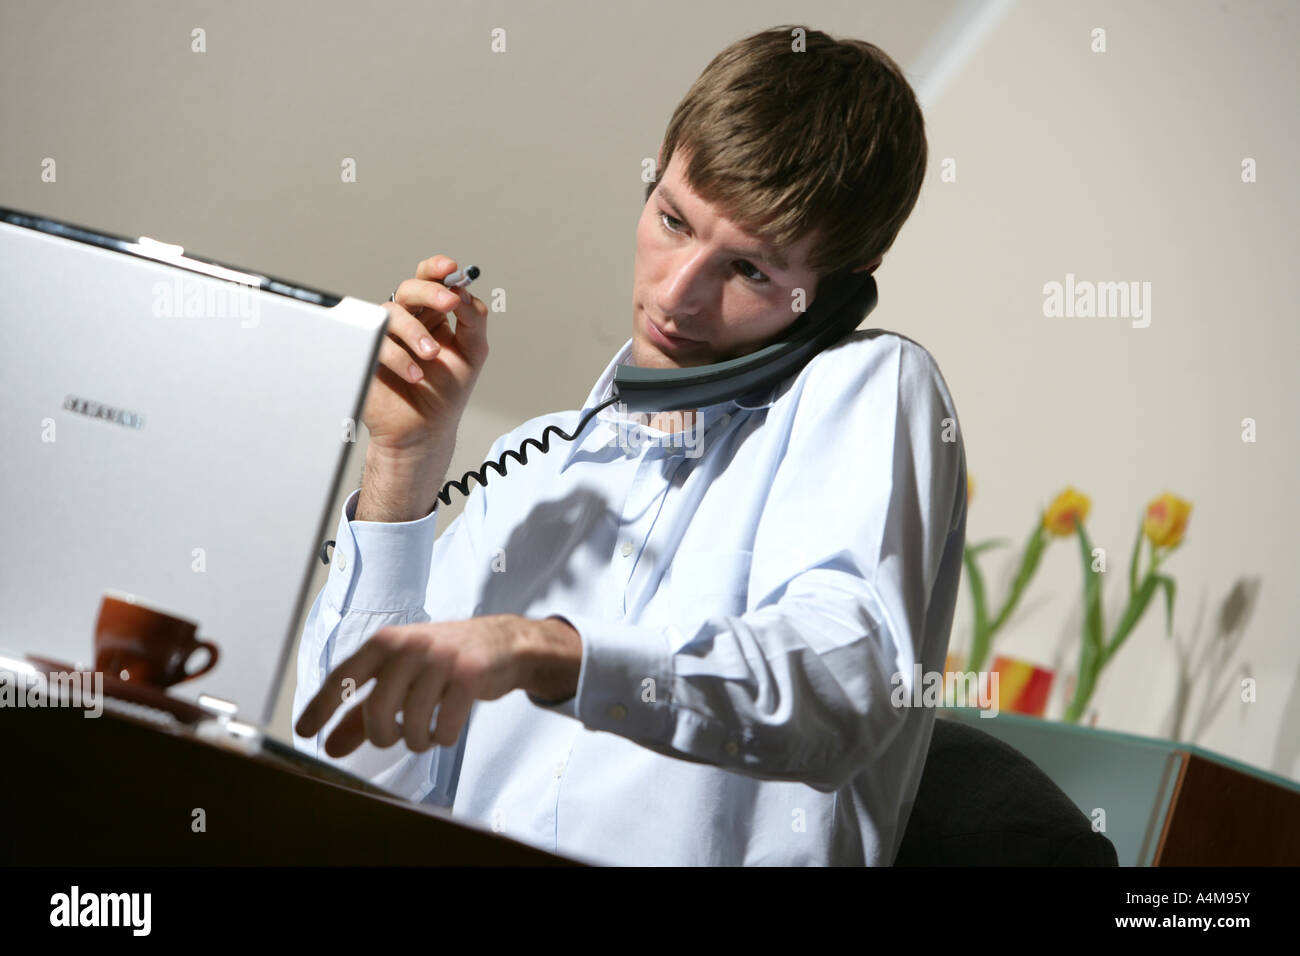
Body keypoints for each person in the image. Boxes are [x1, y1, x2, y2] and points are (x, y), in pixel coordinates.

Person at [292, 24, 967, 866]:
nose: (678, 296)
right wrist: (402, 467)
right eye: (673, 220)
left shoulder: (868, 389)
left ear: (841, 287)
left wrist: (550, 654)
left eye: (752, 270)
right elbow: (346, 775)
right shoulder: (542, 466)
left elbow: (841, 685)